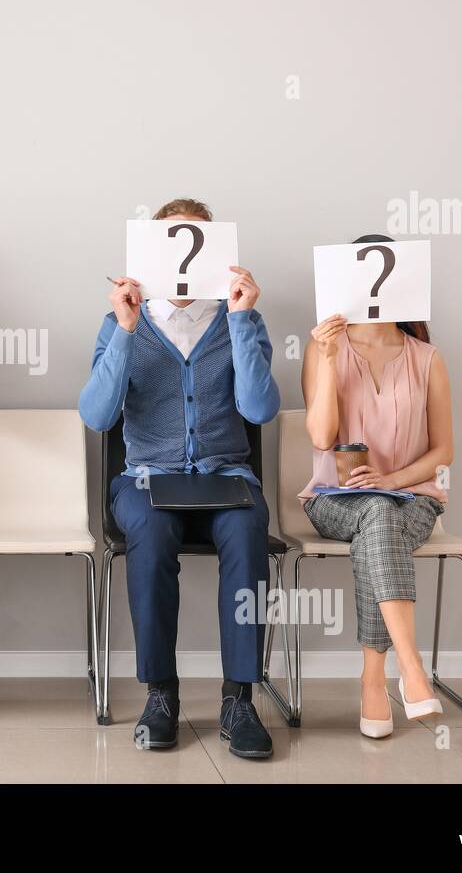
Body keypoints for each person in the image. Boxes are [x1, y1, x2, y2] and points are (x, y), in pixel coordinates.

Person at [79, 198, 280, 758]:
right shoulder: (123, 323)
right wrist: (123, 329)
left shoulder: (243, 321)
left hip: (226, 477)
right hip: (146, 478)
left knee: (246, 534)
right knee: (150, 532)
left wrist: (240, 321)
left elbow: (260, 409)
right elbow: (96, 416)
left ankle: (240, 696)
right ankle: (160, 693)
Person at [300, 233, 449, 738]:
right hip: (333, 502)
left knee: (381, 517)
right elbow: (321, 436)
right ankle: (411, 670)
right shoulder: (324, 348)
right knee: (373, 514)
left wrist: (389, 480)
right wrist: (324, 357)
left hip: (411, 501)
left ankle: (373, 678)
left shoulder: (428, 358)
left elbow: (443, 451)